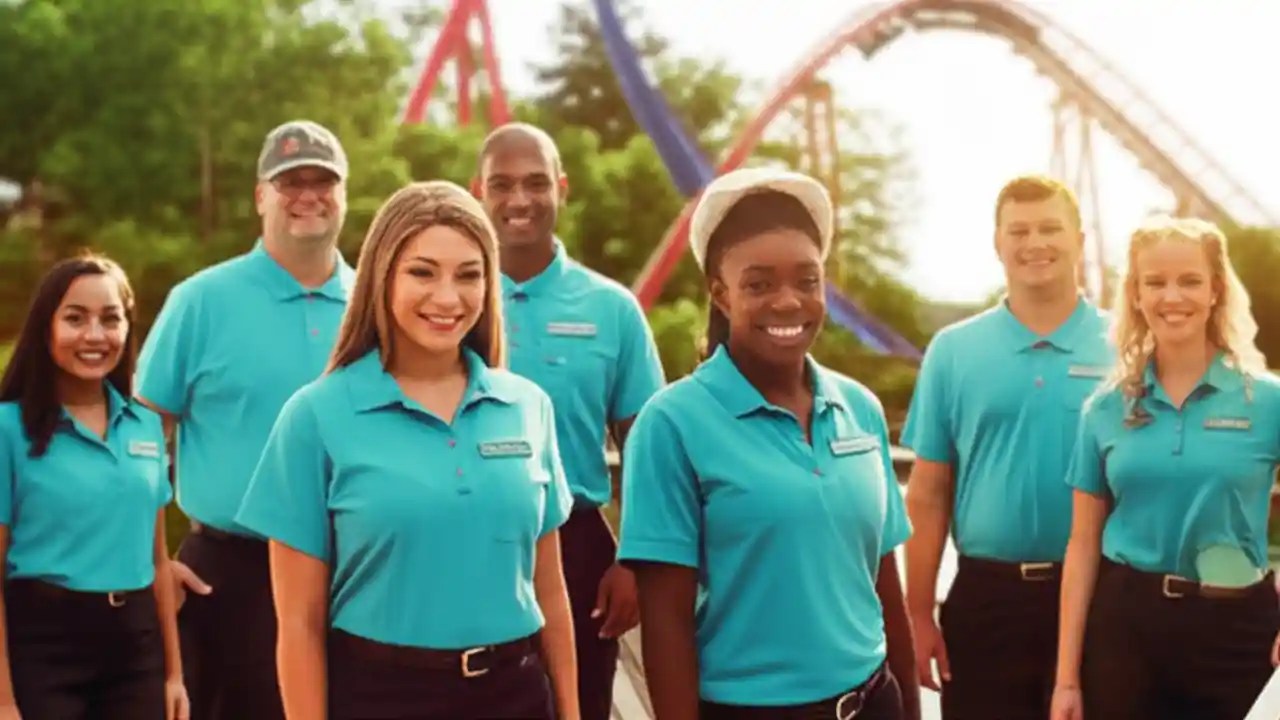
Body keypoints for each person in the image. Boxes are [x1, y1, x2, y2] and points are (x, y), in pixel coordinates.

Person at [234, 180, 580, 719]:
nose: (447, 298)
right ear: (381, 276)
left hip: (516, 695)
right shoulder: (315, 417)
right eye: (423, 272)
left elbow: (551, 594)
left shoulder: (528, 407)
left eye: (469, 275)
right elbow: (299, 625)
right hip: (380, 696)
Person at [617, 167, 920, 720]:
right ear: (721, 294)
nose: (788, 302)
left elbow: (884, 586)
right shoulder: (672, 423)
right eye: (758, 284)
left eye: (807, 281)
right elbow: (666, 625)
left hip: (875, 703)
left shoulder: (860, 408)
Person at [134, 119, 354, 719]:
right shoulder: (200, 301)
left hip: (353, 571)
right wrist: (146, 561)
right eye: (289, 182)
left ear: (344, 195)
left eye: (322, 180)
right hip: (230, 577)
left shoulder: (377, 307)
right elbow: (138, 438)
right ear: (261, 196)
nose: (307, 194)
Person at [900, 175, 1113, 719]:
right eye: (1018, 230)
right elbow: (927, 493)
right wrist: (918, 610)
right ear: (997, 243)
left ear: (1080, 239)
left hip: (1104, 596)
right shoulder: (953, 350)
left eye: (1050, 228)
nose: (1034, 242)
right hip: (986, 598)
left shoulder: (1128, 349)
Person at [1052, 215, 1280, 720]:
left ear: (1216, 290)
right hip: (1126, 629)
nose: (1172, 296)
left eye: (1190, 280)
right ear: (1135, 294)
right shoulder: (1105, 408)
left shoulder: (1268, 401)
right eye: (1155, 282)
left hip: (1238, 628)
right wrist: (1066, 679)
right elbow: (1083, 542)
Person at [474, 122, 666, 720]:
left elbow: (649, 449)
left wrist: (634, 561)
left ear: (562, 188)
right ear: (476, 191)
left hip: (577, 544)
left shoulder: (611, 308)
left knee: (576, 704)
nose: (520, 200)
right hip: (458, 535)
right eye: (502, 185)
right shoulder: (444, 299)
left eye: (536, 183)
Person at [0, 255, 187, 720]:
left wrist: (173, 675)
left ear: (128, 329)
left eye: (110, 319)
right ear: (46, 328)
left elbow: (157, 559)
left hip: (135, 649)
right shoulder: (7, 429)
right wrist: (3, 700)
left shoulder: (145, 425)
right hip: (42, 648)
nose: (95, 336)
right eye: (75, 318)